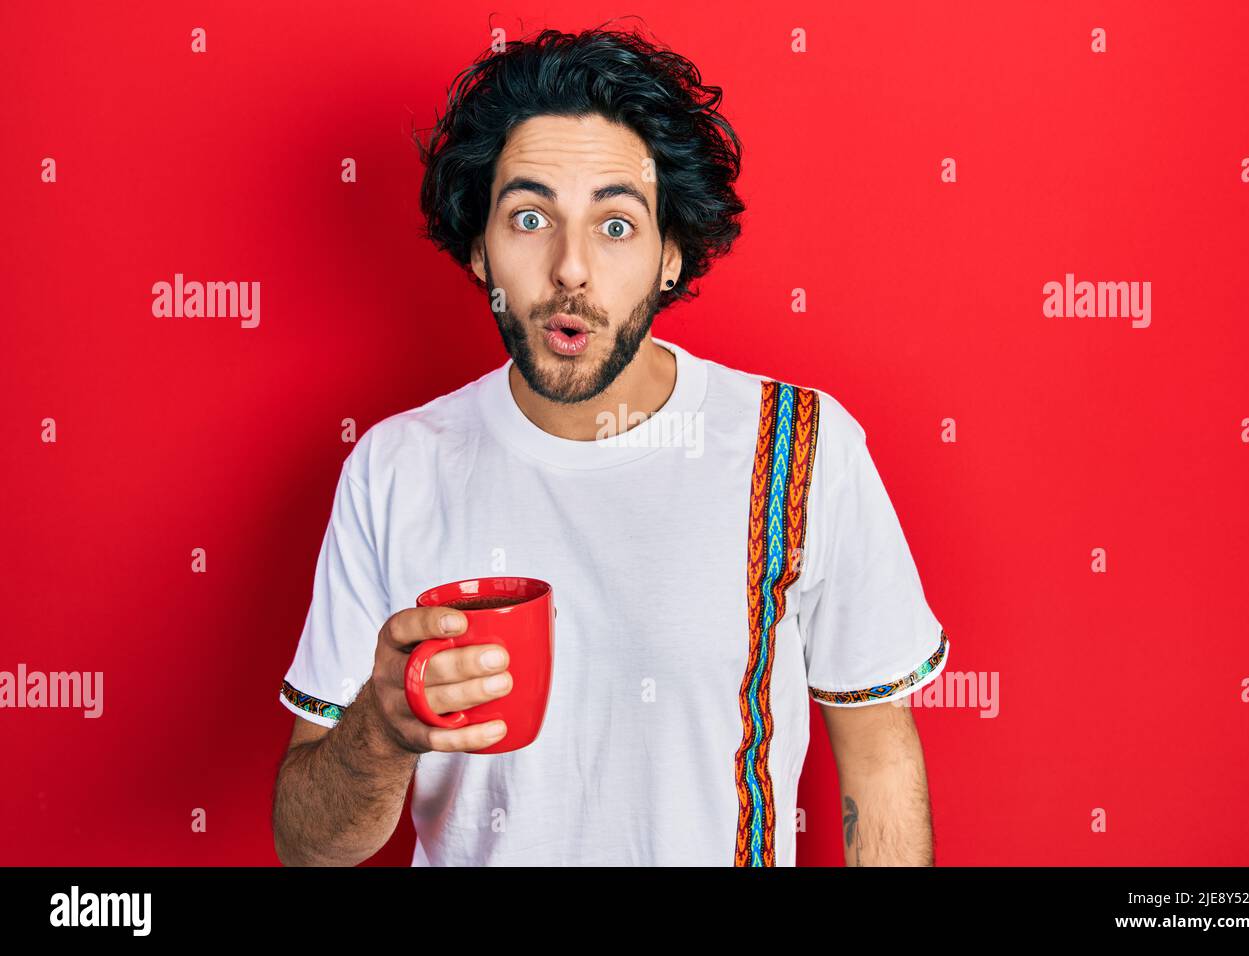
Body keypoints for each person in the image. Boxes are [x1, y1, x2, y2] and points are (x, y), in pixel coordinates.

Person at [272, 23, 950, 867]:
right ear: (481, 251)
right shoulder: (393, 467)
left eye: (617, 226)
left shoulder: (801, 449)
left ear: (672, 254)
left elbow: (877, 763)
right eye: (529, 218)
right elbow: (309, 848)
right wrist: (384, 728)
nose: (571, 268)